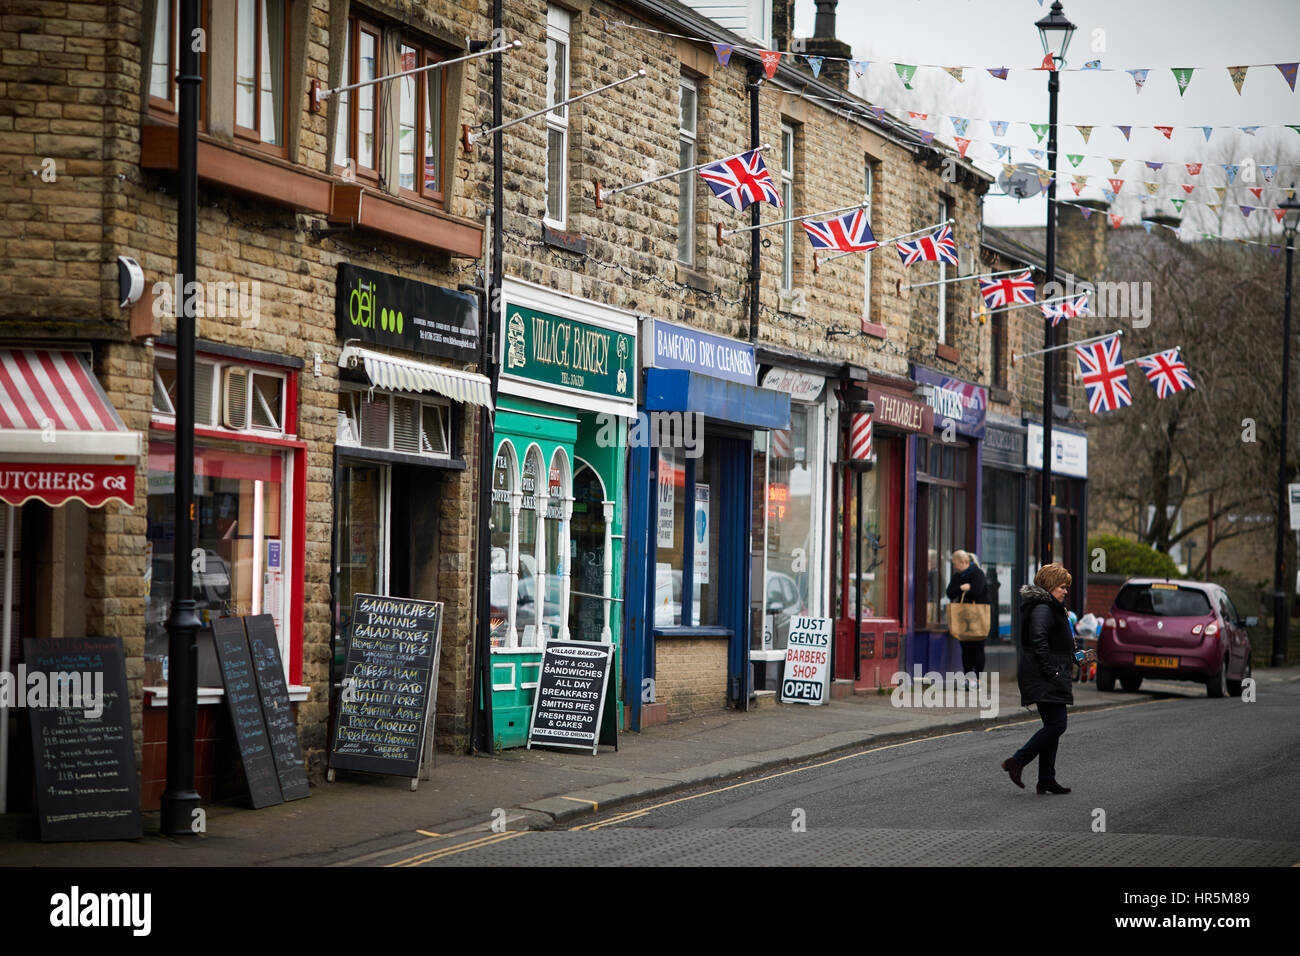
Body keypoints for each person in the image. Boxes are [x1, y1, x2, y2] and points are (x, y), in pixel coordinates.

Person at [1000, 563, 1077, 795]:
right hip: (1044, 674)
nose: (1065, 591)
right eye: (1062, 587)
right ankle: (1017, 761)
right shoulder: (1043, 608)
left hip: (1050, 672)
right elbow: (1039, 640)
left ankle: (1046, 779)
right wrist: (1052, 671)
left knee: (1052, 726)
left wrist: (1074, 657)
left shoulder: (1050, 607)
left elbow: (1053, 641)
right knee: (1057, 724)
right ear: (1051, 586)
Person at [945, 549, 988, 686]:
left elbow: (977, 591)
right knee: (966, 648)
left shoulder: (977, 573)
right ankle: (969, 678)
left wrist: (969, 589)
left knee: (978, 647)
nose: (954, 566)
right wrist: (962, 588)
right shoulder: (958, 576)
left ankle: (978, 679)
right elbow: (949, 593)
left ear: (963, 561)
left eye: (955, 563)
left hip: (978, 616)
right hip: (963, 617)